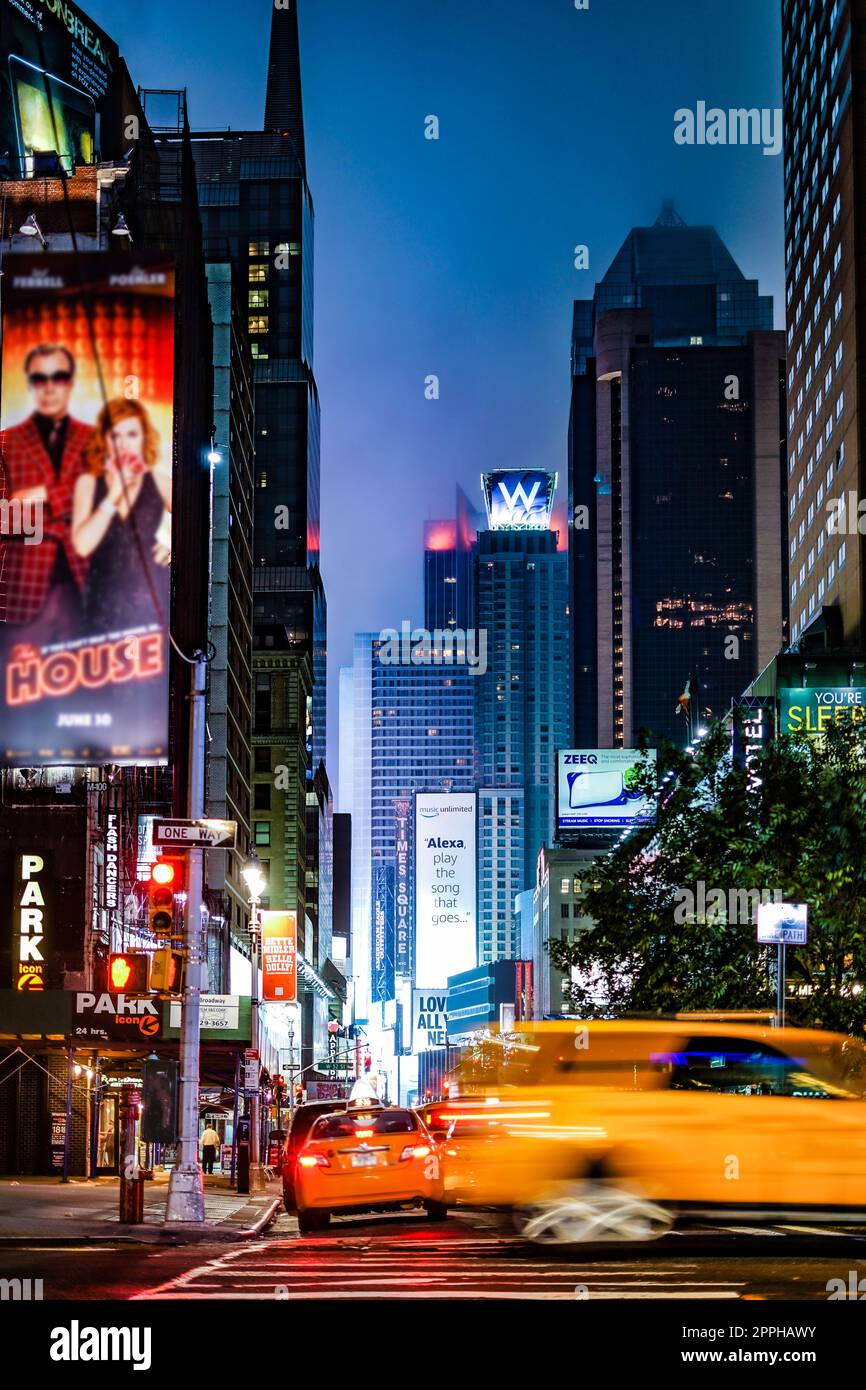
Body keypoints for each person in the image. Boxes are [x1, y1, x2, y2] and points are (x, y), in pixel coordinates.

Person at [0, 344, 91, 641]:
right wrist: (70, 502)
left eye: (59, 377)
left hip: (88, 593)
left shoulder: (95, 441)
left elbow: (106, 499)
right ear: (30, 383)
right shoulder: (6, 442)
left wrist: (44, 497)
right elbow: (5, 518)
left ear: (71, 383)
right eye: (40, 379)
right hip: (22, 597)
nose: (50, 388)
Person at [71, 398, 171, 636]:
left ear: (144, 438)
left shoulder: (159, 483)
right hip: (101, 602)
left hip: (151, 598)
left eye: (132, 434)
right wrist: (113, 495)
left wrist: (170, 541)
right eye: (116, 436)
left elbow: (199, 526)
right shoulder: (88, 484)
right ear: (105, 440)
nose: (124, 444)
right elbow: (82, 545)